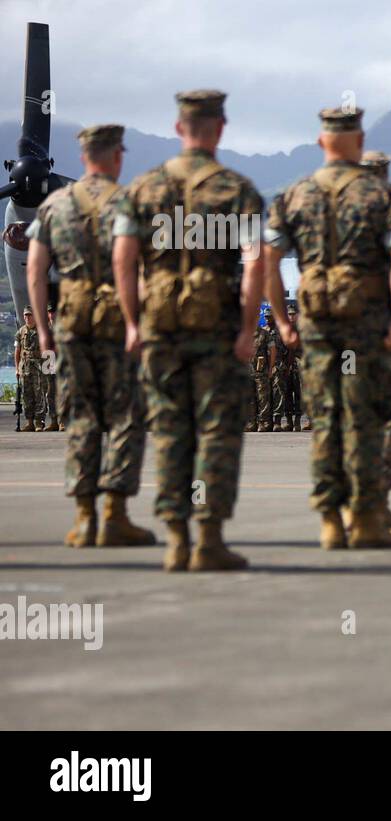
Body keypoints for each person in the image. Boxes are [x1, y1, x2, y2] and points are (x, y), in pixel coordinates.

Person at [112, 89, 265, 571]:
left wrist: (132, 322)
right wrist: (247, 328)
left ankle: (176, 539)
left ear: (179, 128)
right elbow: (256, 260)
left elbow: (123, 258)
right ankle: (209, 539)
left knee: (169, 429)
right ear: (220, 128)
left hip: (159, 327)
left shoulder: (143, 188)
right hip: (216, 328)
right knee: (217, 430)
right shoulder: (236, 189)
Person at [262, 107, 391, 550]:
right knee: (362, 419)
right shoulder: (382, 198)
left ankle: (330, 518)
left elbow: (268, 261)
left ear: (322, 141)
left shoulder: (294, 195)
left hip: (317, 326)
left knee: (325, 419)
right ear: (358, 141)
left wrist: (282, 321)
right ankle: (363, 518)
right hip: (367, 326)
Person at [25, 123, 154, 547]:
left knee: (80, 417)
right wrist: (137, 322)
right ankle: (115, 514)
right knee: (124, 416)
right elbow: (136, 268)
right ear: (117, 156)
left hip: (72, 320)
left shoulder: (55, 205)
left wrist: (44, 331)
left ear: (83, 158)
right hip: (117, 319)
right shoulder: (130, 203)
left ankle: (84, 518)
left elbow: (35, 270)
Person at [13, 306, 43, 431]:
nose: (27, 318)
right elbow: (17, 351)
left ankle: (38, 423)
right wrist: (17, 368)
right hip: (25, 368)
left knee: (38, 394)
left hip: (38, 368)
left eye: (30, 315)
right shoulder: (20, 332)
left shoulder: (41, 331)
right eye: (25, 315)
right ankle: (29, 422)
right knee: (26, 395)